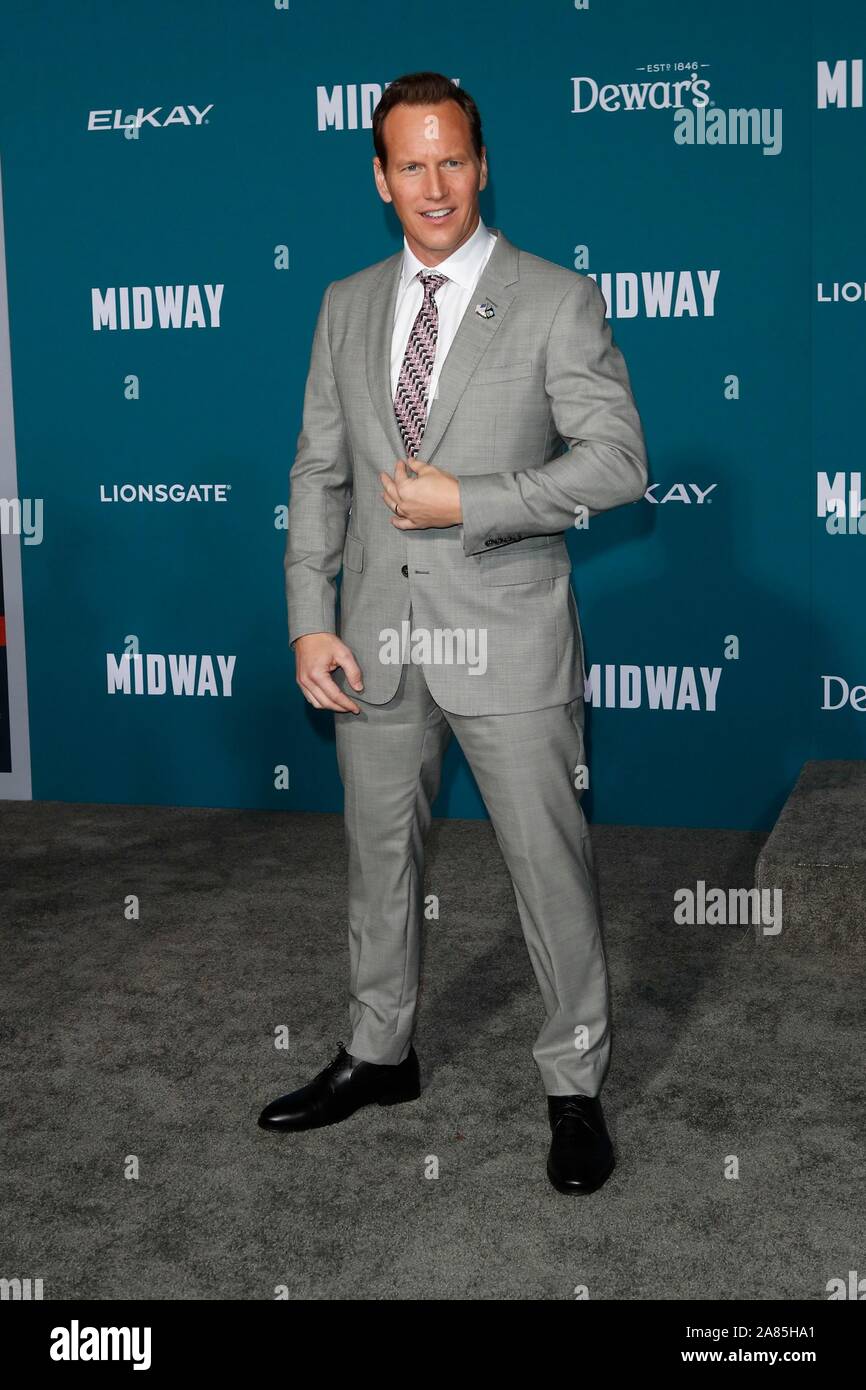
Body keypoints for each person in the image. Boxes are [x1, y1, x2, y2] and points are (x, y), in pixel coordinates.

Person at [258, 71, 648, 1195]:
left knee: (548, 869)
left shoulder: (553, 297)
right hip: (375, 640)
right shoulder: (343, 302)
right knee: (379, 862)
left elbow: (618, 463)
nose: (433, 184)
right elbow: (318, 472)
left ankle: (573, 1085)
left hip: (510, 638)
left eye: (452, 160)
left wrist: (467, 500)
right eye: (409, 164)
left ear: (481, 166)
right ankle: (380, 1053)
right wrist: (305, 621)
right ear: (379, 178)